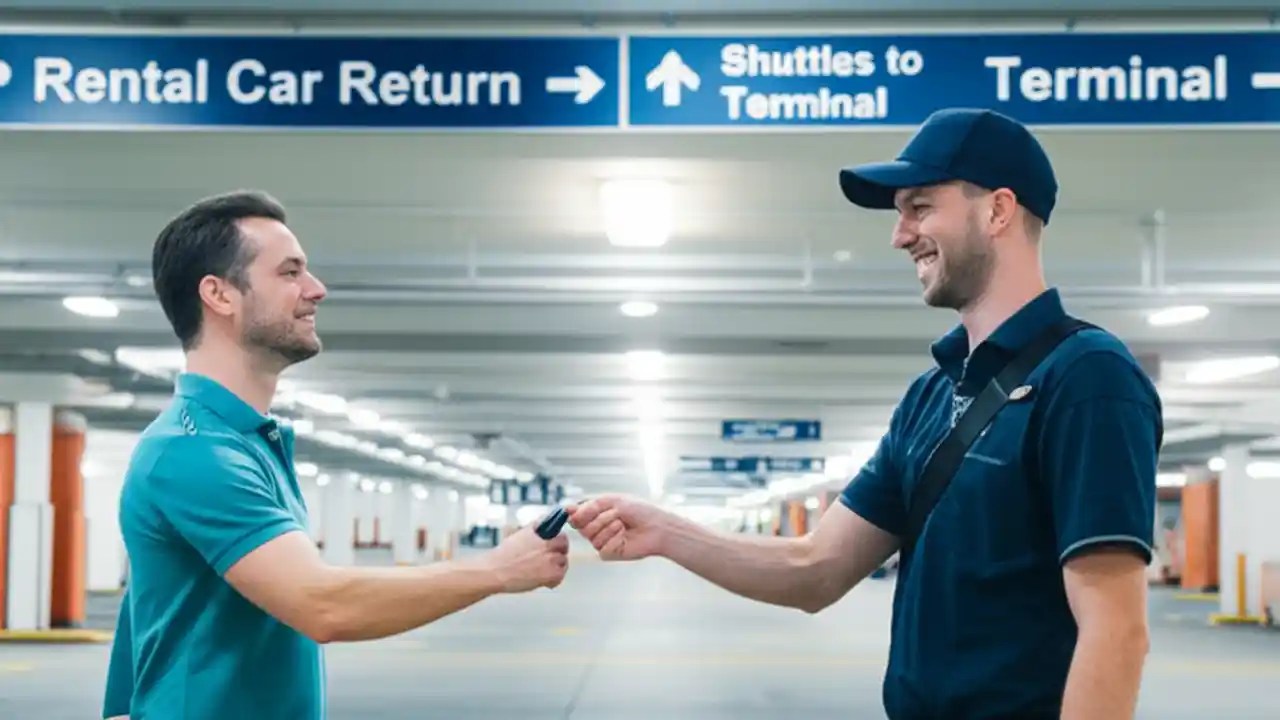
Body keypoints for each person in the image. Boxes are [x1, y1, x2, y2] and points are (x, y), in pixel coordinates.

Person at [569, 108, 1160, 720]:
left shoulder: (1087, 377)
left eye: (920, 207)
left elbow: (1116, 630)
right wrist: (666, 533)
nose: (900, 235)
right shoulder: (931, 396)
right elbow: (815, 569)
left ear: (997, 211)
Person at [102, 190, 569, 720]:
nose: (316, 289)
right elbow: (324, 604)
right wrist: (498, 569)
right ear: (220, 295)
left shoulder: (244, 443)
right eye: (290, 272)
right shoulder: (194, 451)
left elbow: (154, 613)